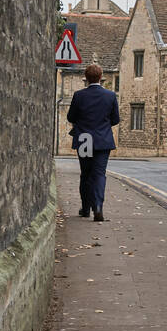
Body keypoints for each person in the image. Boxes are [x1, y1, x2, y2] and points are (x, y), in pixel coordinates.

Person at [66, 63, 120, 221]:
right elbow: (115, 119)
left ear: (86, 77)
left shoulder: (79, 95)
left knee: (86, 175)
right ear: (101, 77)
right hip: (103, 140)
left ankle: (85, 208)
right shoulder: (110, 96)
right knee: (99, 174)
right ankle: (98, 206)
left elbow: (71, 117)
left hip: (84, 139)